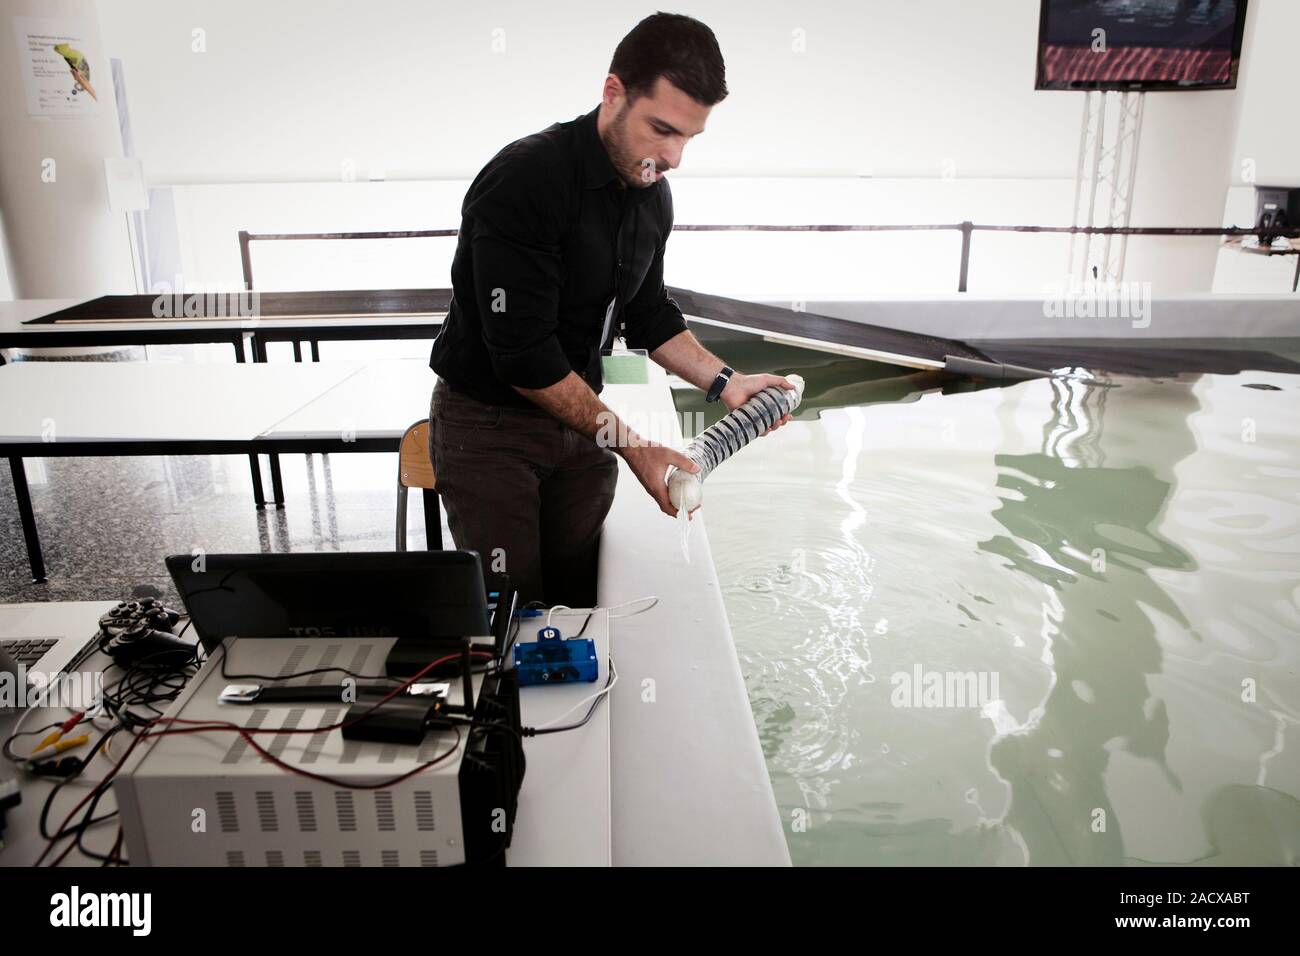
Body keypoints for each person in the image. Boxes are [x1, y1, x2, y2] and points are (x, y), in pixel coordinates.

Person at [428, 12, 793, 607]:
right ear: (613, 92)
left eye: (688, 139)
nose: (673, 156)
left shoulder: (652, 195)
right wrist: (635, 446)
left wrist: (726, 382)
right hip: (490, 431)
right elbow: (523, 357)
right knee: (507, 614)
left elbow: (648, 312)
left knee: (581, 599)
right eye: (661, 129)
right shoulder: (526, 179)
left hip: (585, 426)